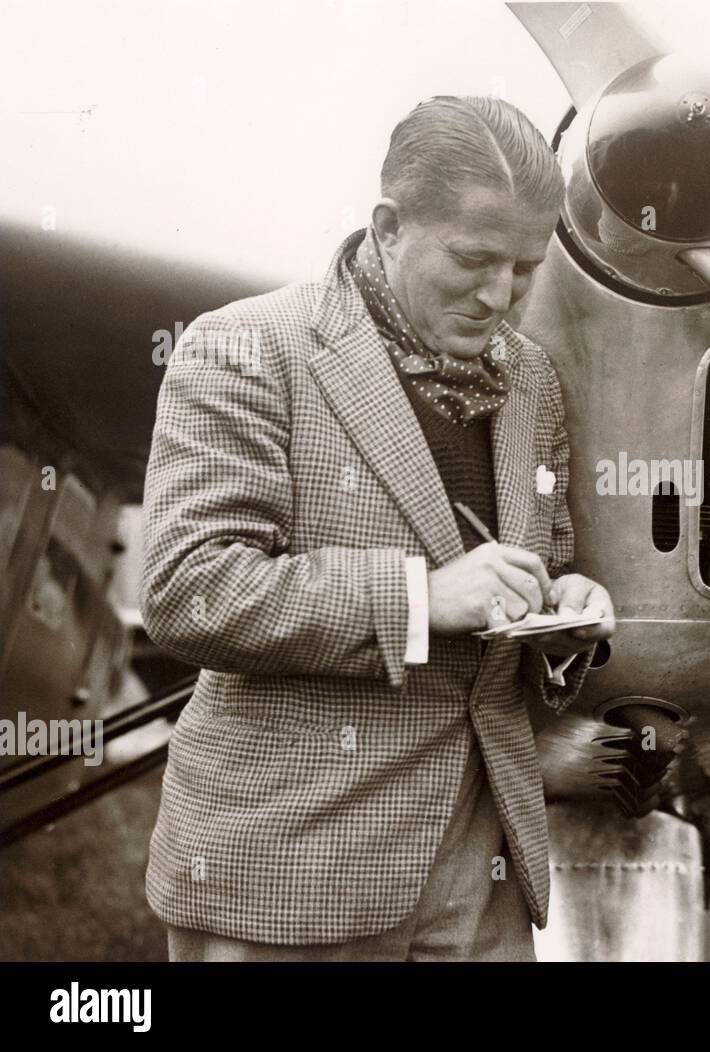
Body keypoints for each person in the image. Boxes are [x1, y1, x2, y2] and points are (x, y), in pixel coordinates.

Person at [140, 96, 614, 961]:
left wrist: (562, 617)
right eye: (473, 259)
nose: (500, 296)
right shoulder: (239, 347)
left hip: (482, 883)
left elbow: (524, 586)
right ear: (389, 227)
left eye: (525, 266)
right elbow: (188, 589)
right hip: (290, 876)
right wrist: (418, 598)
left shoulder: (533, 380)